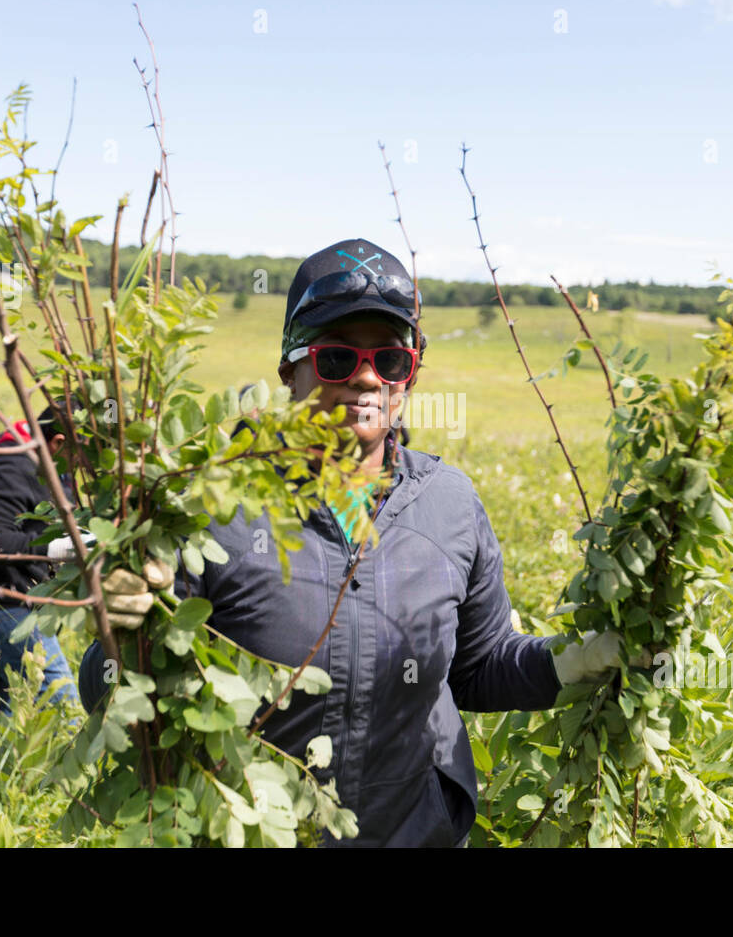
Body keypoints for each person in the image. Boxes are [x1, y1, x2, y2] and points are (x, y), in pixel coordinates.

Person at [79, 237, 638, 846]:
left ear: (409, 375)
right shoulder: (210, 508)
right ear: (289, 371)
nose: (368, 377)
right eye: (337, 358)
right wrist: (122, 639)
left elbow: (479, 668)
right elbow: (116, 698)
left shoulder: (450, 505)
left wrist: (572, 660)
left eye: (391, 360)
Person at [0, 402, 83, 717]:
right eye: (85, 452)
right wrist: (59, 549)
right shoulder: (13, 469)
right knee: (64, 711)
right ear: (58, 443)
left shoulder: (52, 470)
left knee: (0, 713)